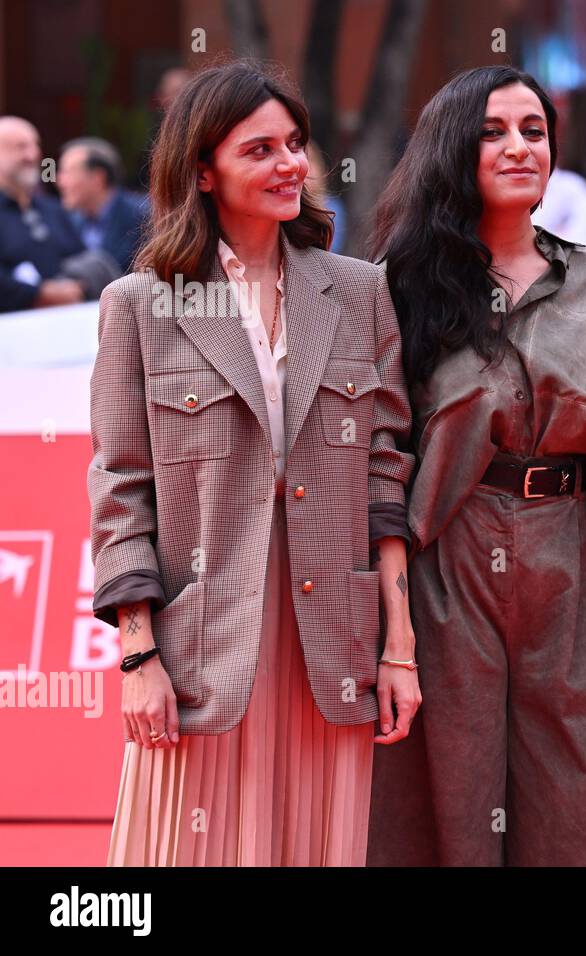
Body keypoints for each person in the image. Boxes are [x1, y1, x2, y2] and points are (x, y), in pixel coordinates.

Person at [89, 61, 417, 866]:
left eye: (296, 145)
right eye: (260, 150)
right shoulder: (142, 305)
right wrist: (138, 659)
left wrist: (399, 647)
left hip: (331, 640)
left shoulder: (360, 291)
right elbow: (121, 491)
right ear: (202, 171)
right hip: (202, 643)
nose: (290, 166)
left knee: (318, 845)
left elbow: (385, 474)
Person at [365, 66, 586, 867]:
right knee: (450, 804)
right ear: (453, 150)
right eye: (493, 132)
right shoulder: (401, 286)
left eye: (533, 131)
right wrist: (388, 626)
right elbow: (380, 461)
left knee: (583, 804)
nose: (518, 148)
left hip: (577, 562)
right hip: (449, 567)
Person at [0, 116, 87, 311]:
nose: (32, 155)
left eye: (35, 145)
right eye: (20, 147)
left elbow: (82, 257)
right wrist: (40, 294)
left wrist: (78, 286)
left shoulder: (53, 210)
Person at [58, 137, 150, 271]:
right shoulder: (67, 221)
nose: (60, 182)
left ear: (97, 178)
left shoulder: (143, 218)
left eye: (68, 172)